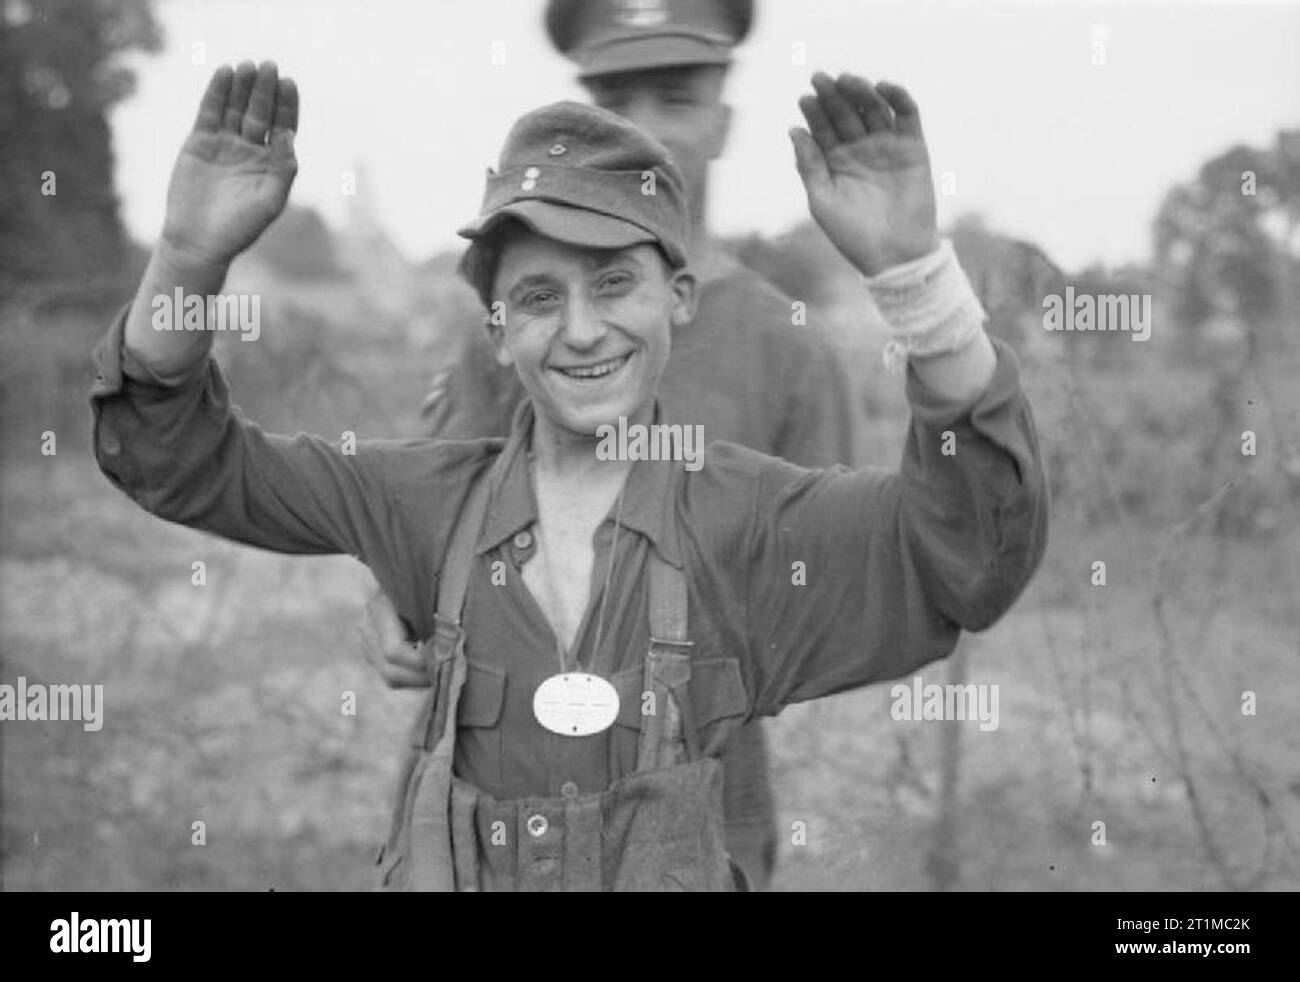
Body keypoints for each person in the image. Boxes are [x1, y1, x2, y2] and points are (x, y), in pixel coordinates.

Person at [92, 59, 1049, 891]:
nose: (583, 329)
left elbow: (964, 556)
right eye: (540, 296)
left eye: (615, 283)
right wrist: (186, 258)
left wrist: (917, 278)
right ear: (499, 331)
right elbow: (180, 460)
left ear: (679, 298)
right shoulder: (425, 500)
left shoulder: (756, 522)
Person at [360, 0, 862, 891]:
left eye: (676, 98)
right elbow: (427, 527)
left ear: (723, 120)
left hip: (693, 823)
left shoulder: (789, 351)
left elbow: (827, 604)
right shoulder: (521, 322)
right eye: (616, 103)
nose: (648, 133)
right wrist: (392, 606)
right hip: (480, 826)